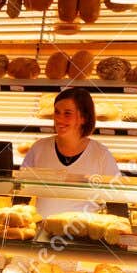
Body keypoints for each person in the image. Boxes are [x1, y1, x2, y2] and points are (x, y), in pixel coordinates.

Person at [19, 86, 120, 217]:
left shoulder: (101, 154)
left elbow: (117, 200)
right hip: (42, 231)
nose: (59, 119)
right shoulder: (39, 148)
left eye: (67, 113)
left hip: (84, 233)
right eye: (57, 112)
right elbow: (21, 193)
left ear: (84, 118)